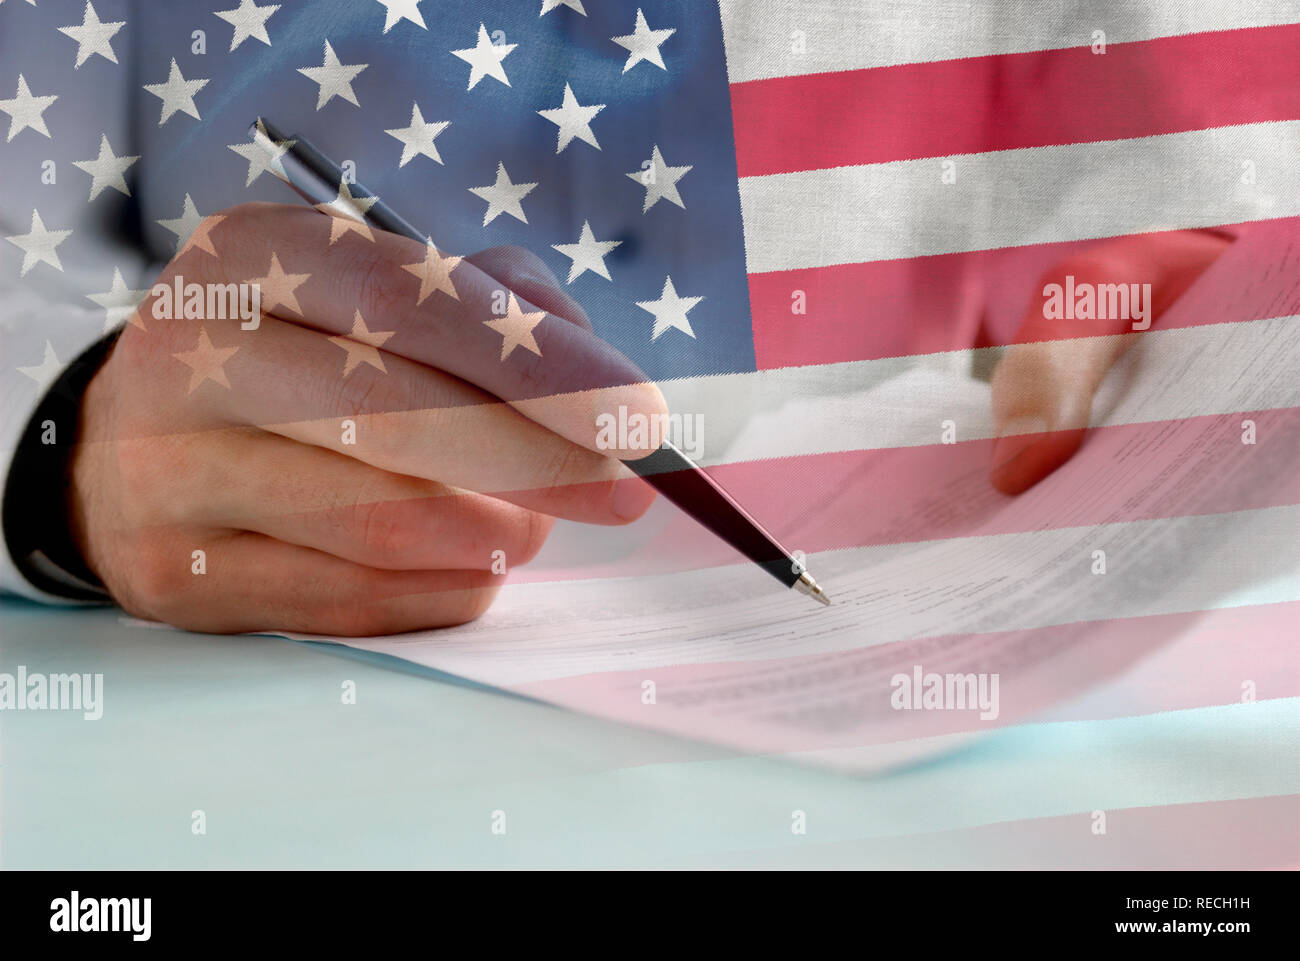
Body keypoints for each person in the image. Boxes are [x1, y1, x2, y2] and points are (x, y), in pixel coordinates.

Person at [0, 0, 1255, 635]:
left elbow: (1159, 105)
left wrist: (1188, 229)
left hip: (925, 512)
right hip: (234, 649)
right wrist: (72, 435)